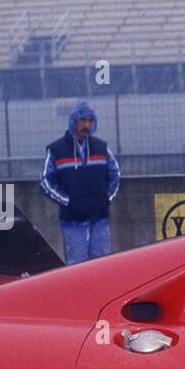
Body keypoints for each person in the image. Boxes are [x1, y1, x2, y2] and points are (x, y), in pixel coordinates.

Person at [40, 101, 121, 264]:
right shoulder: (56, 150)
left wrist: (105, 199)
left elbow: (115, 174)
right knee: (77, 267)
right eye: (83, 121)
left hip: (100, 220)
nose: (87, 125)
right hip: (72, 222)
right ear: (73, 122)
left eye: (90, 121)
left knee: (103, 265)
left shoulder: (101, 147)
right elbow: (45, 181)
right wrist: (68, 202)